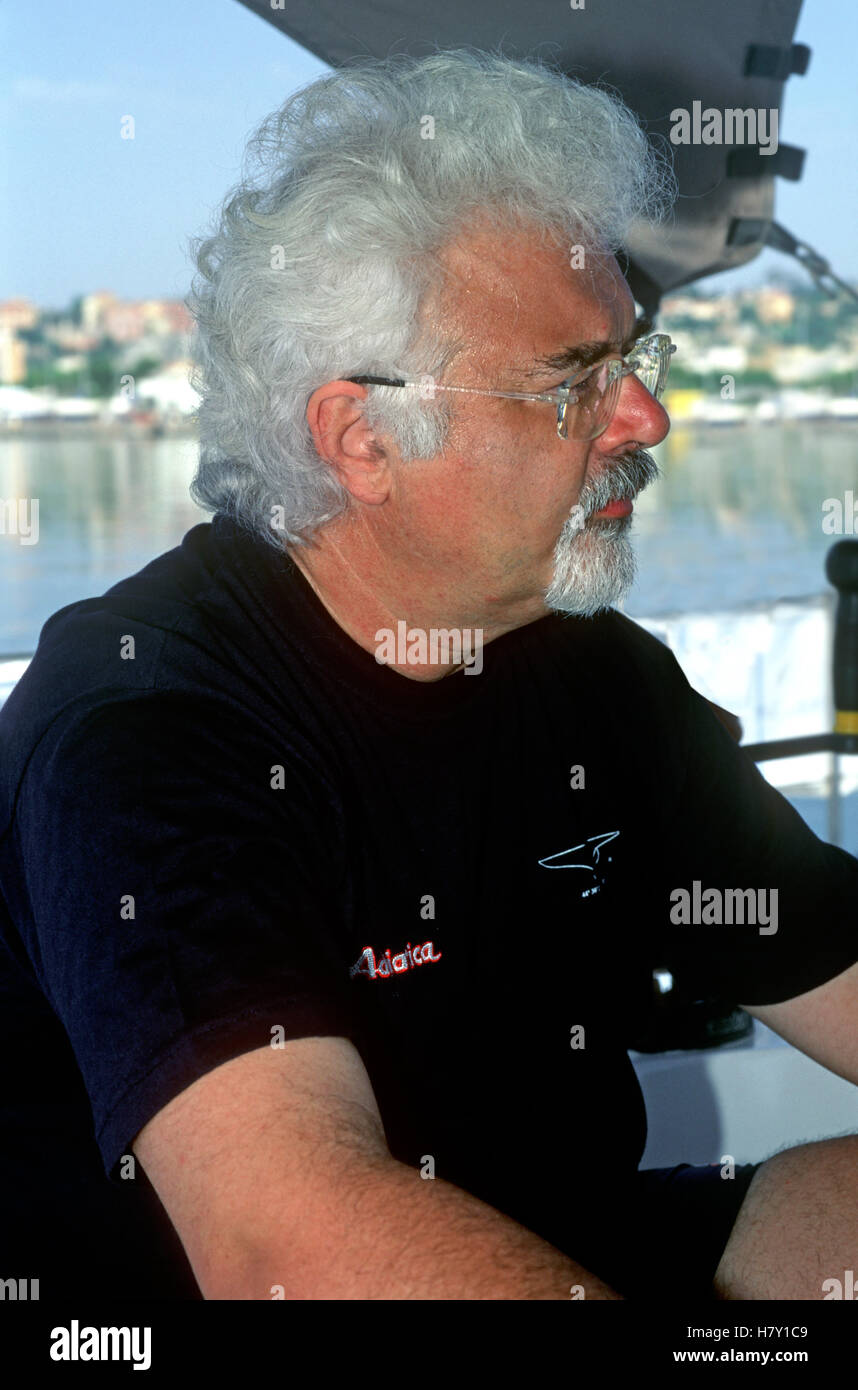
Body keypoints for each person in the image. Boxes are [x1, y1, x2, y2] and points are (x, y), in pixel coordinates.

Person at [1, 51, 857, 1303]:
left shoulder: (594, 682)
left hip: (561, 1238)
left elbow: (829, 963)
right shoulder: (146, 731)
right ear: (363, 441)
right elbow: (283, 1244)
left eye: (636, 360)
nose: (646, 421)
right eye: (573, 382)